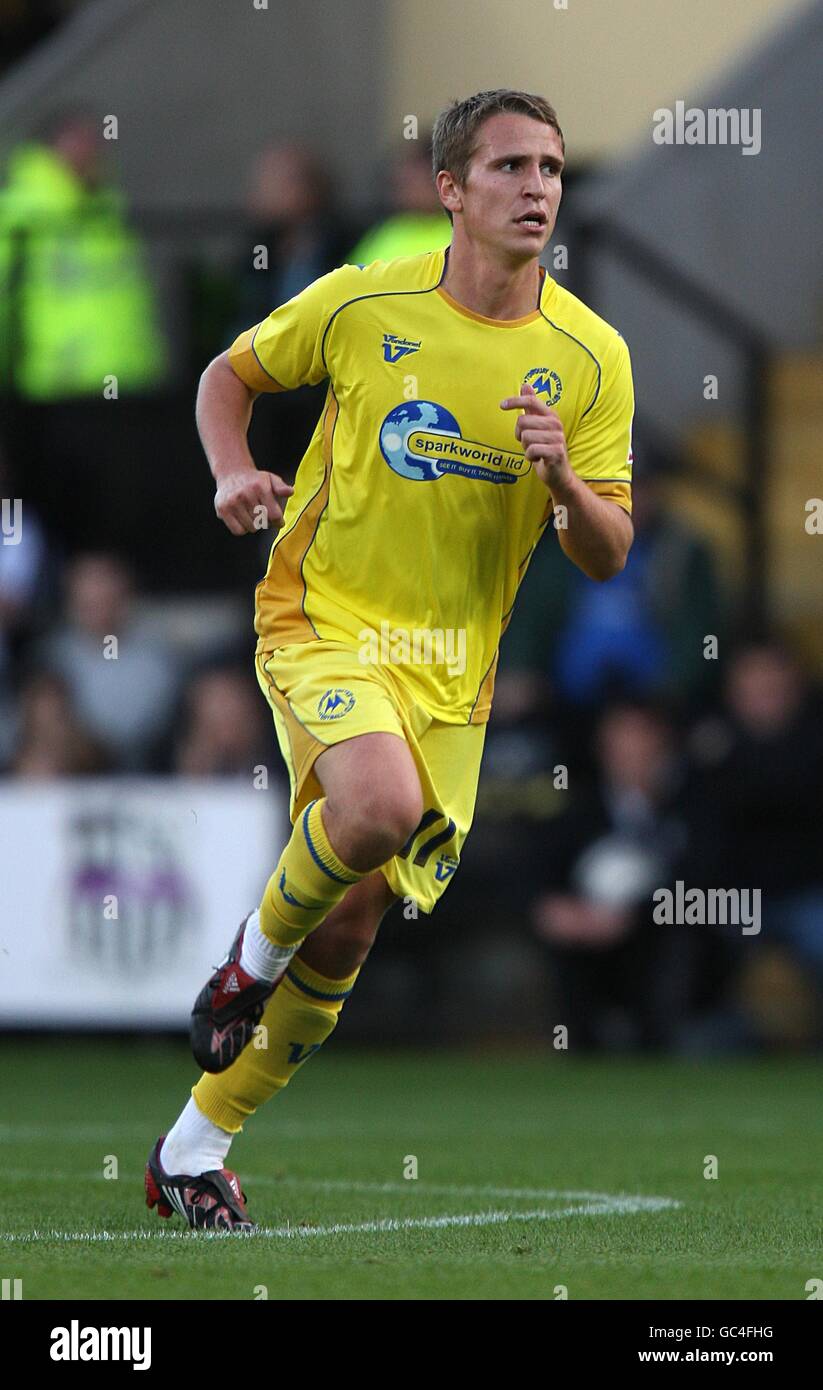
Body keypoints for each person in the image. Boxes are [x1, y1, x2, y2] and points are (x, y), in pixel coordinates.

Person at [145, 88, 636, 1231]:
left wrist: (564, 483)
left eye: (552, 169)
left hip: (449, 673)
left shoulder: (590, 355)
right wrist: (231, 472)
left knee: (356, 914)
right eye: (510, 167)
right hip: (321, 616)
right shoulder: (367, 300)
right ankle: (243, 968)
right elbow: (230, 377)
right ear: (448, 189)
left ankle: (191, 1147)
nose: (537, 189)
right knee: (373, 805)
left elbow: (608, 551)